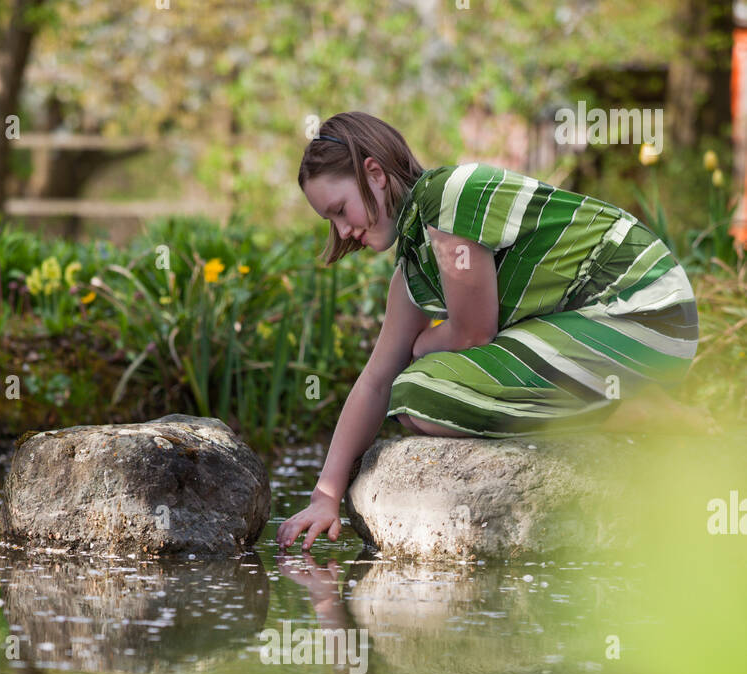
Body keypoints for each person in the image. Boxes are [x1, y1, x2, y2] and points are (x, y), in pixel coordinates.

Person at [277, 111, 711, 553]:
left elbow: (471, 335)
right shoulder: (415, 261)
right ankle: (619, 400)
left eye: (338, 210)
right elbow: (375, 380)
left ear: (374, 174)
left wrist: (424, 343)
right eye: (330, 222)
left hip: (640, 312)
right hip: (604, 331)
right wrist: (325, 495)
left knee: (418, 392)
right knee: (412, 402)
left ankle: (634, 409)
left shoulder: (451, 199)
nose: (343, 230)